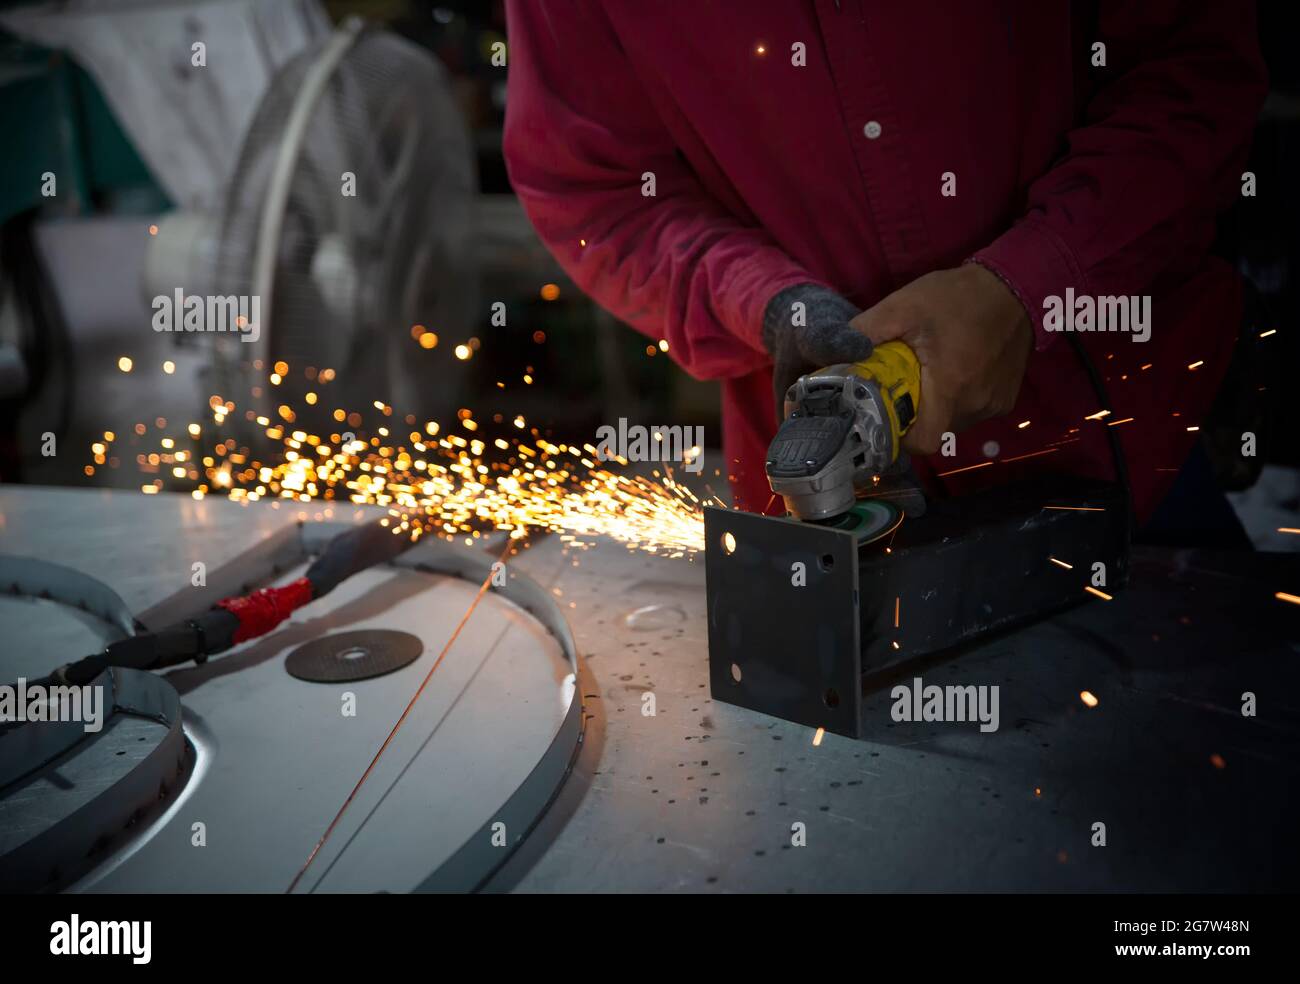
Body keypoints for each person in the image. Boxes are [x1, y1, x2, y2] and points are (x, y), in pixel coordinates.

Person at [503, 1, 1266, 535]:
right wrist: (767, 302)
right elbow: (597, 194)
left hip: (1125, 459)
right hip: (821, 537)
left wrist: (1031, 285)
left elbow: (1194, 76)